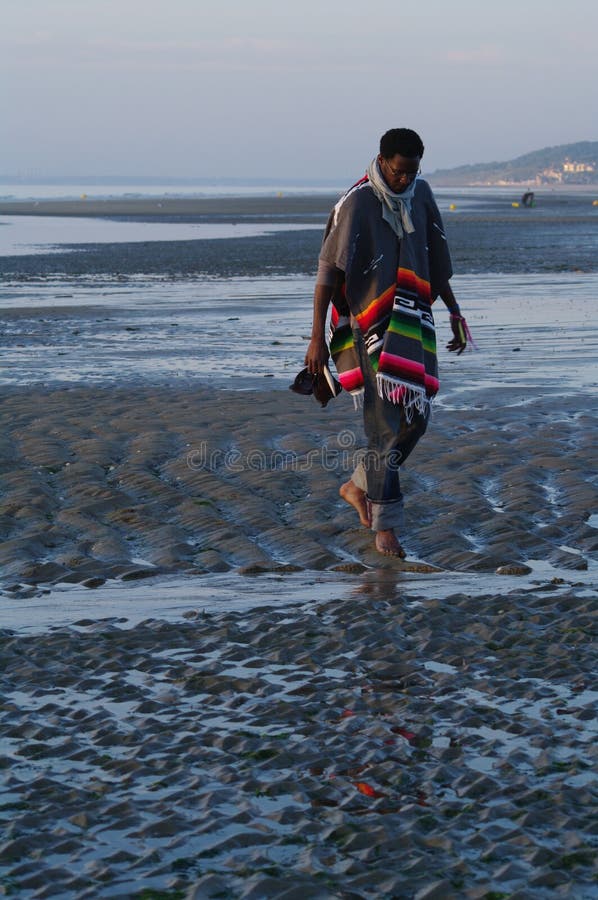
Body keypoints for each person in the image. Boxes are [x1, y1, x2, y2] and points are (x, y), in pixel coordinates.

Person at [305, 127, 471, 558]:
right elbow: (328, 272)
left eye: (412, 173)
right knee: (384, 428)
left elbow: (437, 261)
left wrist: (454, 311)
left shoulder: (421, 194)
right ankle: (385, 528)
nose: (404, 181)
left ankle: (358, 485)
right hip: (370, 327)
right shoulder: (357, 202)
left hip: (414, 321)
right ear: (381, 161)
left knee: (416, 421)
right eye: (398, 173)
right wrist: (317, 338)